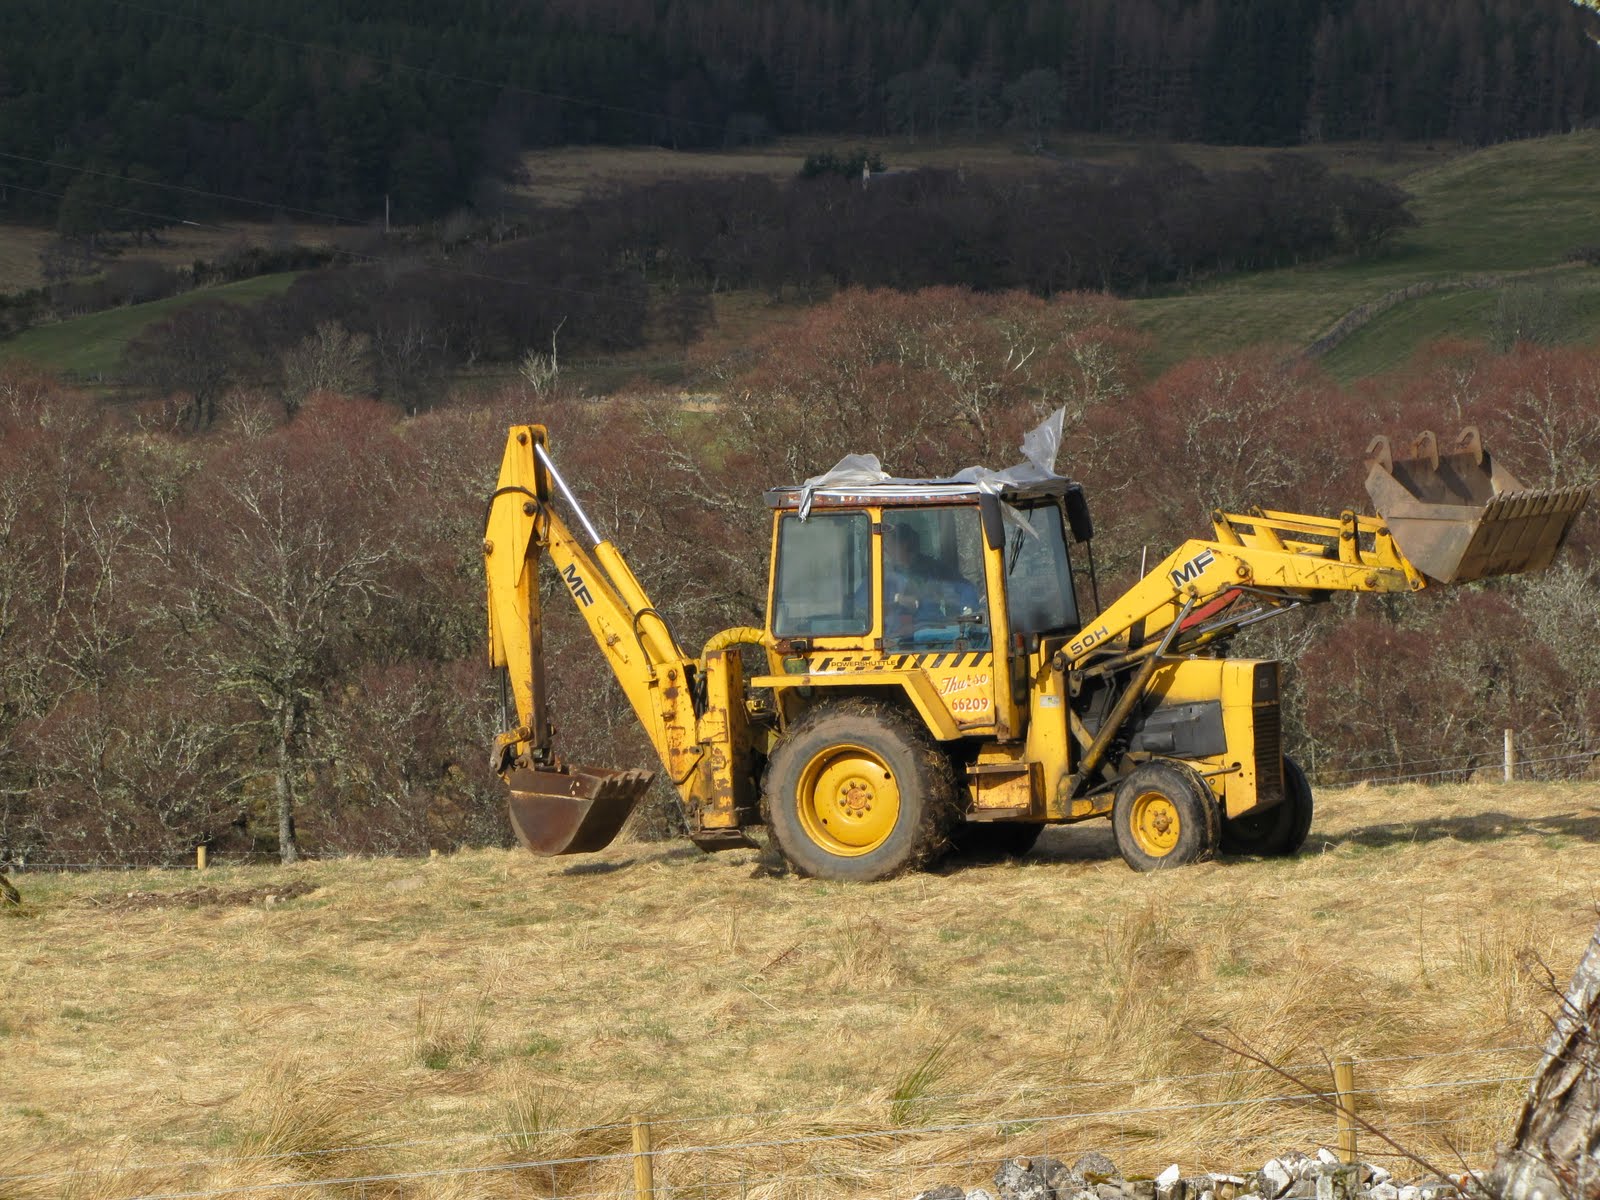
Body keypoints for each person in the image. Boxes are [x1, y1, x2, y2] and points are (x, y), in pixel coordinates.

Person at [882, 522, 984, 648]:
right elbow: (863, 608)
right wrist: (893, 602)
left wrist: (967, 610)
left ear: (904, 544)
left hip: (930, 638)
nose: (884, 549)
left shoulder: (934, 570)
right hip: (891, 644)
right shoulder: (880, 576)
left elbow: (965, 588)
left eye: (888, 544)